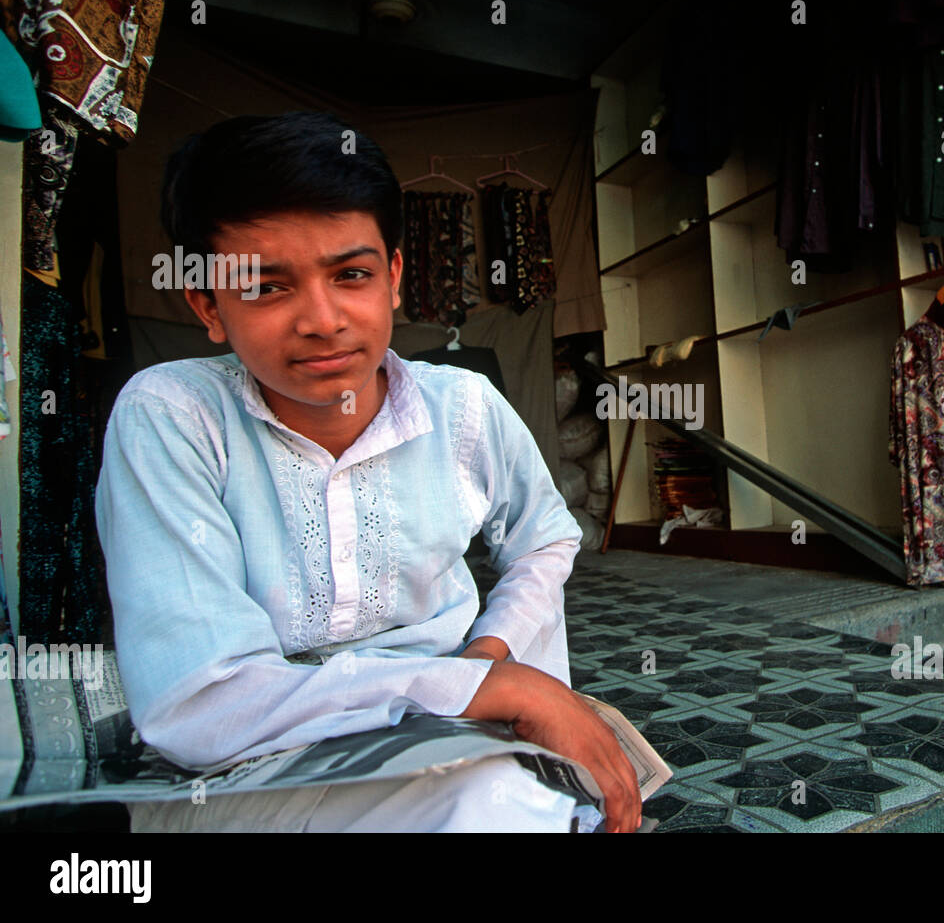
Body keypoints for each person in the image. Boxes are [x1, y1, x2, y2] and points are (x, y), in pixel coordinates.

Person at [94, 110, 641, 832]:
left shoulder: (463, 406)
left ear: (393, 278)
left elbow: (544, 535)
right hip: (249, 763)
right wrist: (477, 687)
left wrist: (489, 656)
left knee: (492, 804)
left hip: (454, 734)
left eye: (351, 274)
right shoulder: (172, 416)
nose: (323, 320)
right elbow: (201, 700)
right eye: (265, 286)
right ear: (209, 305)